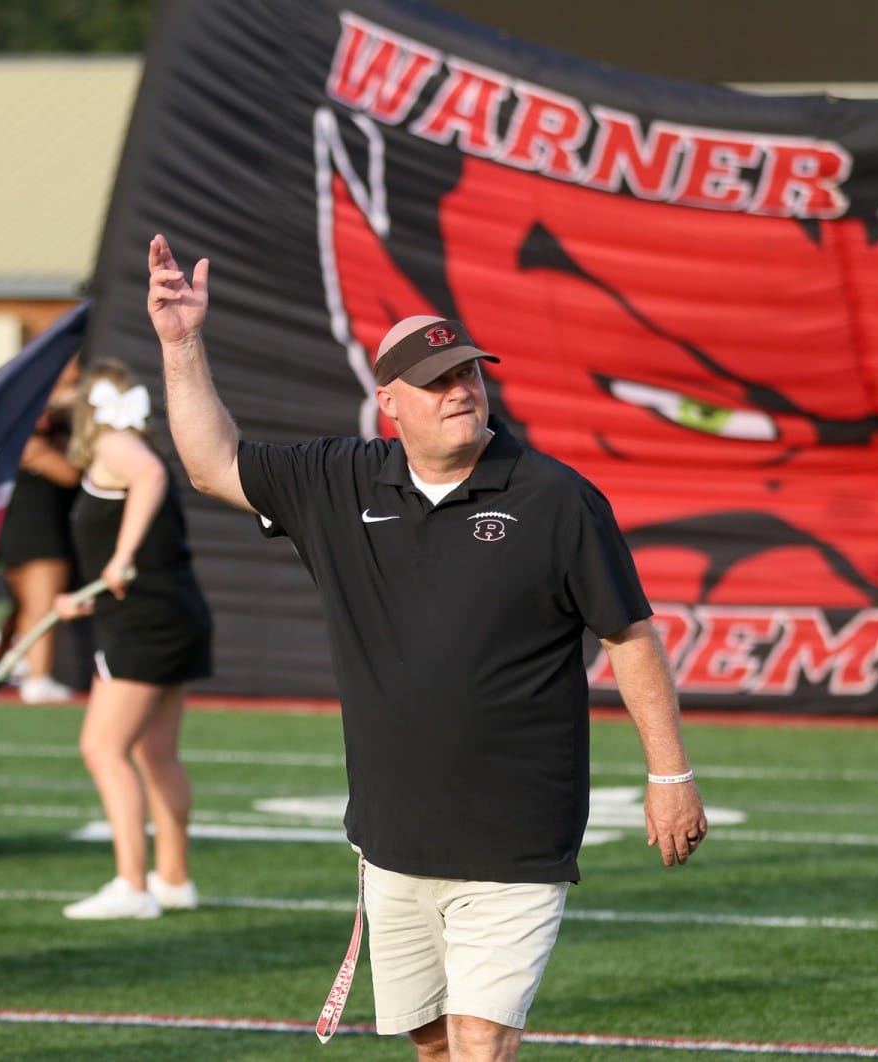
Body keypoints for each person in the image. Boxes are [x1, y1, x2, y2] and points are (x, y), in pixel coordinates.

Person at [147, 234, 707, 1061]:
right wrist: (183, 344)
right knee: (437, 1045)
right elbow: (210, 464)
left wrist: (670, 775)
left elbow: (630, 636)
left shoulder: (555, 498)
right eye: (437, 380)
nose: (460, 390)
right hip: (393, 839)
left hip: (515, 839)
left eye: (469, 373)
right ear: (391, 404)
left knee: (481, 1047)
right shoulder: (340, 481)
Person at [54, 358, 213, 920]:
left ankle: (133, 885)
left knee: (103, 748)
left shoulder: (118, 446)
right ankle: (172, 878)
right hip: (165, 611)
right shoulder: (122, 447)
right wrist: (90, 593)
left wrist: (119, 559)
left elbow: (149, 476)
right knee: (154, 751)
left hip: (147, 622)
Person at [0, 356, 83, 703]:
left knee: (26, 610)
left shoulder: (31, 441)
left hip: (22, 535)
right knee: (40, 610)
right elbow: (71, 474)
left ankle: (4, 670)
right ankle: (38, 677)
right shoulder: (30, 446)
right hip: (38, 538)